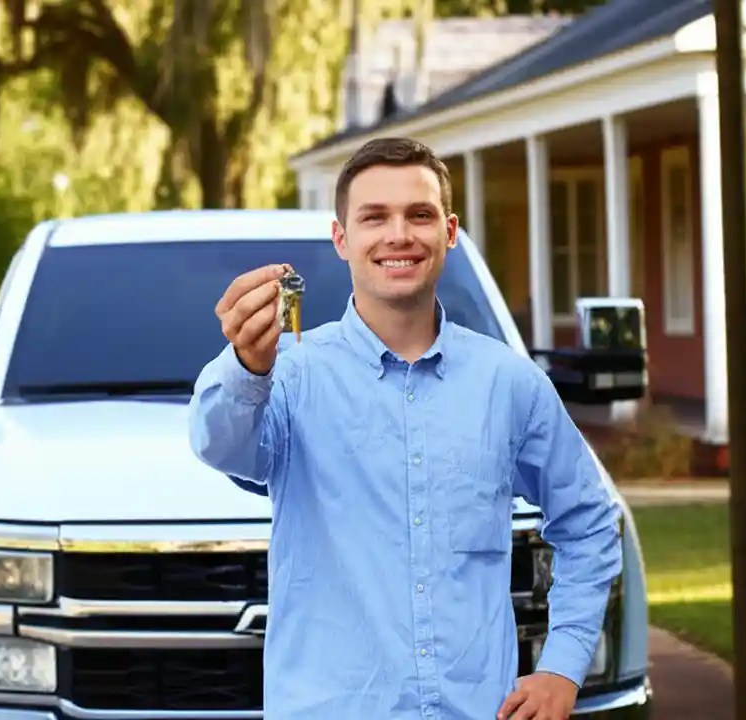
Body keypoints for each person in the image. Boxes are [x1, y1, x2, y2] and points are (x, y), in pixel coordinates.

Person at [187, 137, 622, 720]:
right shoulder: (287, 377)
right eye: (374, 217)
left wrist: (562, 667)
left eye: (419, 215)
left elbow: (590, 523)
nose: (398, 235)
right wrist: (244, 365)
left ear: (449, 232)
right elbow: (219, 443)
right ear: (341, 238)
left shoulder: (509, 384)